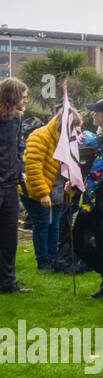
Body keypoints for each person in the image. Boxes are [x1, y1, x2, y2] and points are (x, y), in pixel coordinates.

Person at [73, 98, 103, 299]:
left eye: (96, 112)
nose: (93, 115)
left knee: (82, 238)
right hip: (100, 196)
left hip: (102, 197)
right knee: (102, 238)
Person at [20, 109, 71, 272]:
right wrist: (43, 193)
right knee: (42, 223)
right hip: (36, 189)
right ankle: (42, 261)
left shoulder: (63, 139)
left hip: (56, 188)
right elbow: (33, 167)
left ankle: (53, 257)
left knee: (54, 224)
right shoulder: (39, 136)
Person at [0, 79, 28, 293]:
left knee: (9, 236)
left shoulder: (16, 119)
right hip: (4, 181)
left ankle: (7, 281)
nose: (25, 99)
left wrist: (19, 172)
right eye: (22, 94)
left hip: (10, 185)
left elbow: (18, 149)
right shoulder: (6, 120)